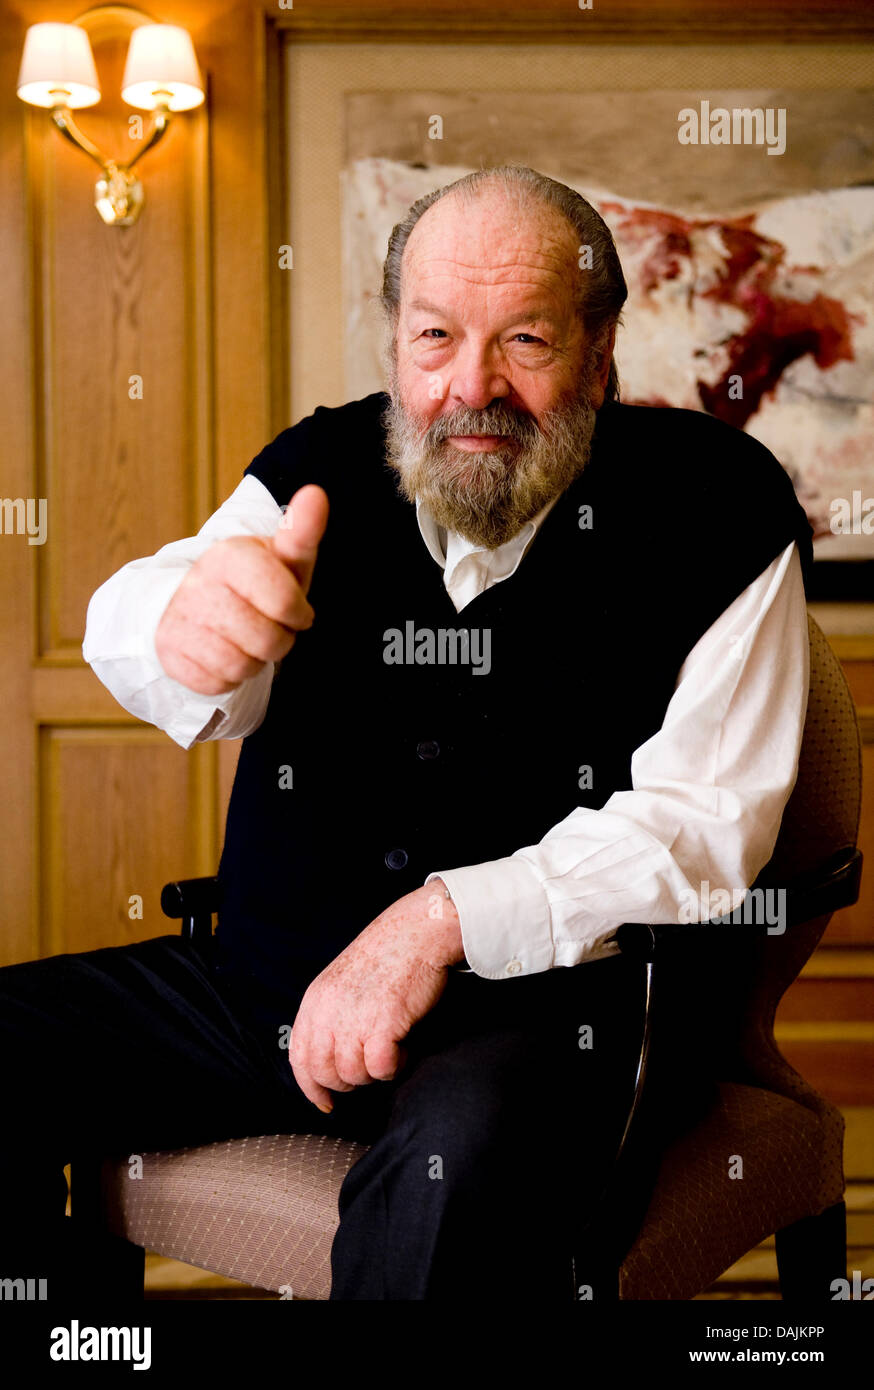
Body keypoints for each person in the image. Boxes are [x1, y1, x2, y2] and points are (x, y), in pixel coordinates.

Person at [2, 166, 812, 1302]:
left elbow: (703, 826)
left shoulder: (720, 506)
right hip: (263, 986)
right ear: (395, 341)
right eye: (435, 336)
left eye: (524, 340)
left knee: (452, 1181)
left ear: (600, 348)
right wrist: (175, 628)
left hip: (540, 1017)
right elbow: (165, 609)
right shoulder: (316, 471)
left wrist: (435, 922)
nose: (468, 386)